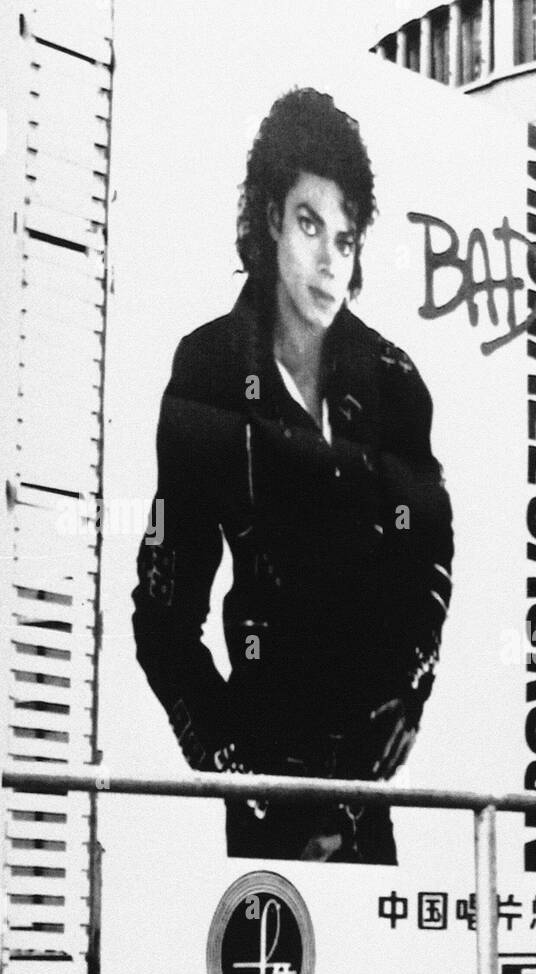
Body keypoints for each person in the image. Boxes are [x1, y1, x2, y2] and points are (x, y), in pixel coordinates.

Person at [133, 89, 453, 863]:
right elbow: (163, 616)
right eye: (309, 224)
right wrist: (236, 772)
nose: (327, 261)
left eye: (345, 238)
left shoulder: (391, 379)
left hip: (368, 783)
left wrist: (405, 705)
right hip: (264, 769)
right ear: (270, 216)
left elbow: (431, 570)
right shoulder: (209, 367)